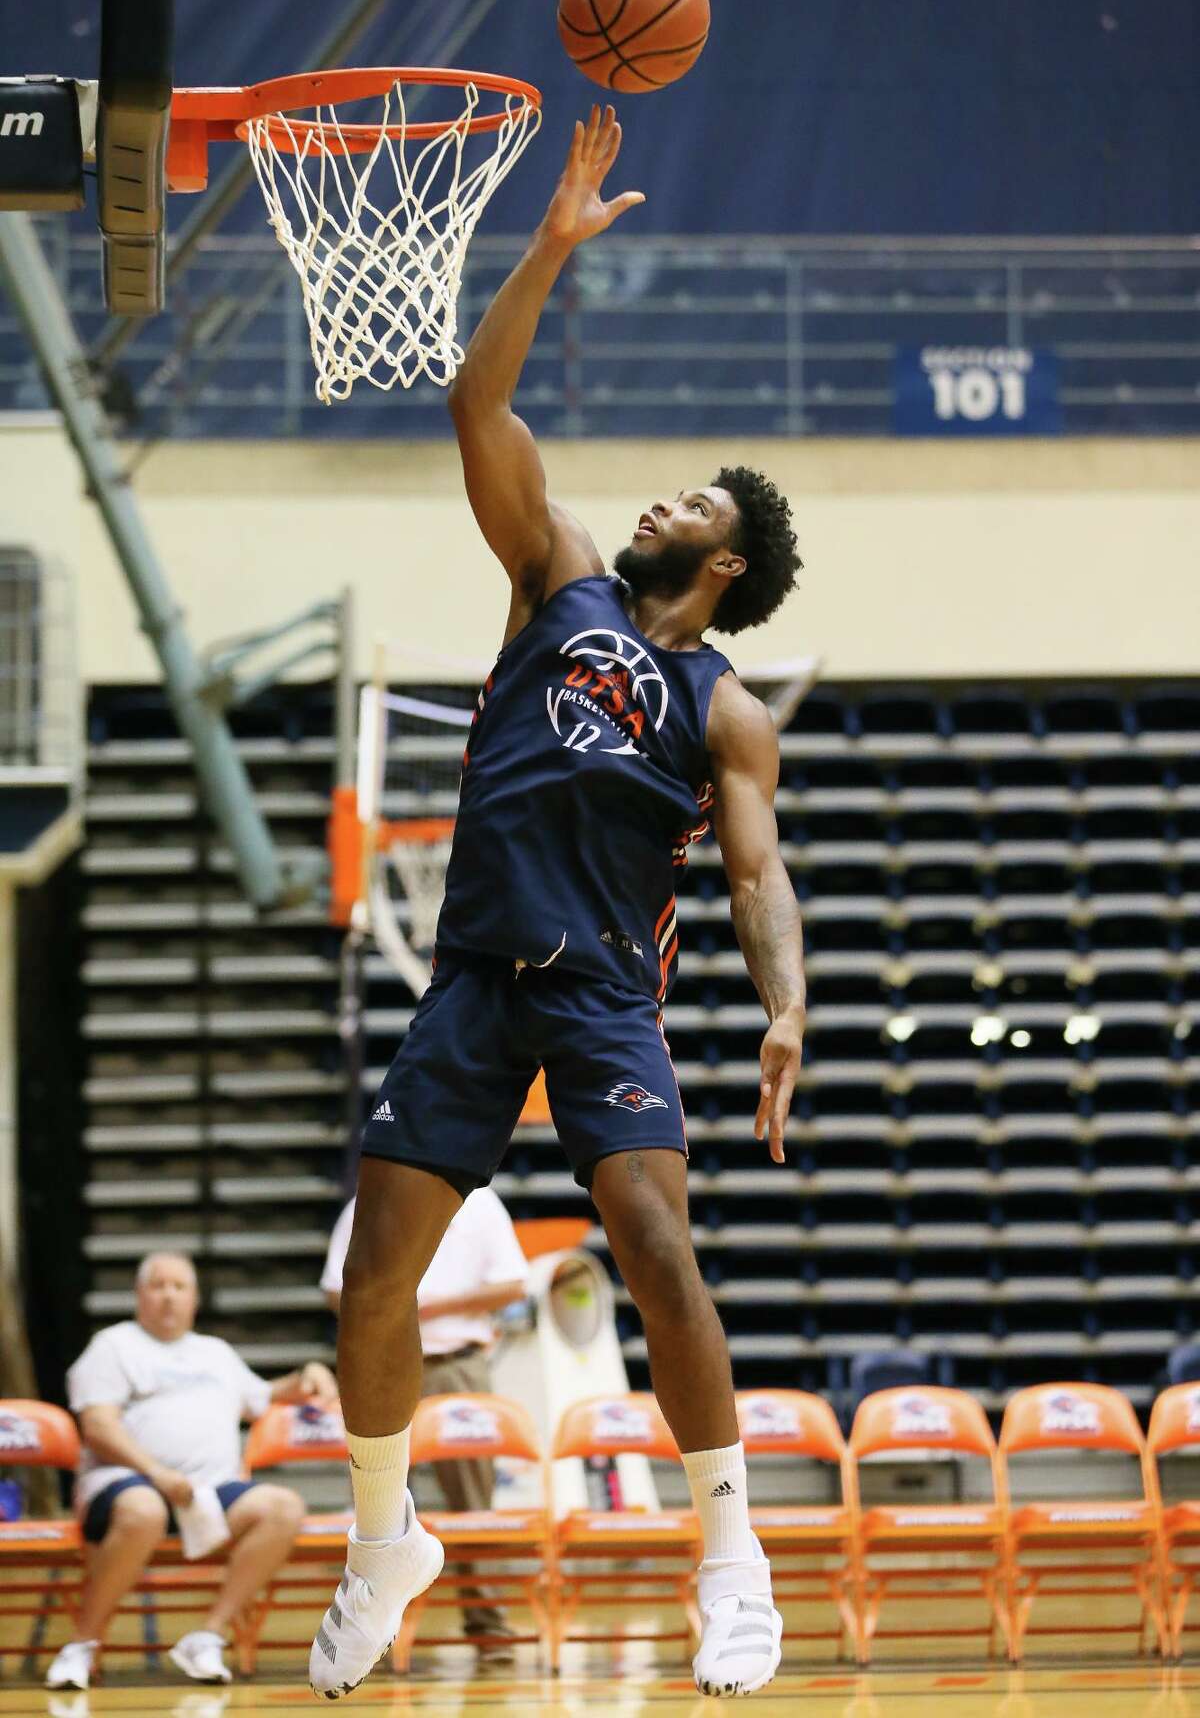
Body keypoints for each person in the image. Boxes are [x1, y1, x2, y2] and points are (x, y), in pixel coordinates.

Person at [309, 106, 806, 1702]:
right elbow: (481, 397)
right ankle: (386, 1541)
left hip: (599, 987)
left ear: (725, 568)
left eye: (696, 512)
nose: (663, 505)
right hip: (474, 968)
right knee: (372, 1277)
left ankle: (731, 1557)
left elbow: (752, 871)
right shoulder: (562, 574)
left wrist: (785, 1002)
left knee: (654, 1239)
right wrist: (551, 242)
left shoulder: (728, 709)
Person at [45, 1252, 337, 1691]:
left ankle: (208, 1636)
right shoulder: (113, 1346)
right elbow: (98, 1426)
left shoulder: (214, 1353)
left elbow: (265, 1395)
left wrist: (309, 1372)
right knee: (144, 1510)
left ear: (194, 1299)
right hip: (126, 1483)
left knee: (283, 1507)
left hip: (208, 1491)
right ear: (139, 1295)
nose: (168, 1296)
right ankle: (82, 1645)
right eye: (157, 1285)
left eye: (179, 1287)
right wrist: (157, 1473)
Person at [320, 1189, 528, 1654]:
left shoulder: (481, 1203)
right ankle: (373, 1631)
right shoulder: (365, 1203)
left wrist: (426, 1305)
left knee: (475, 1502)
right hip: (387, 1362)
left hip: (457, 1363)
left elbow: (514, 1284)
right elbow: (336, 1290)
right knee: (378, 1509)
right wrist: (396, 1306)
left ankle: (488, 1627)